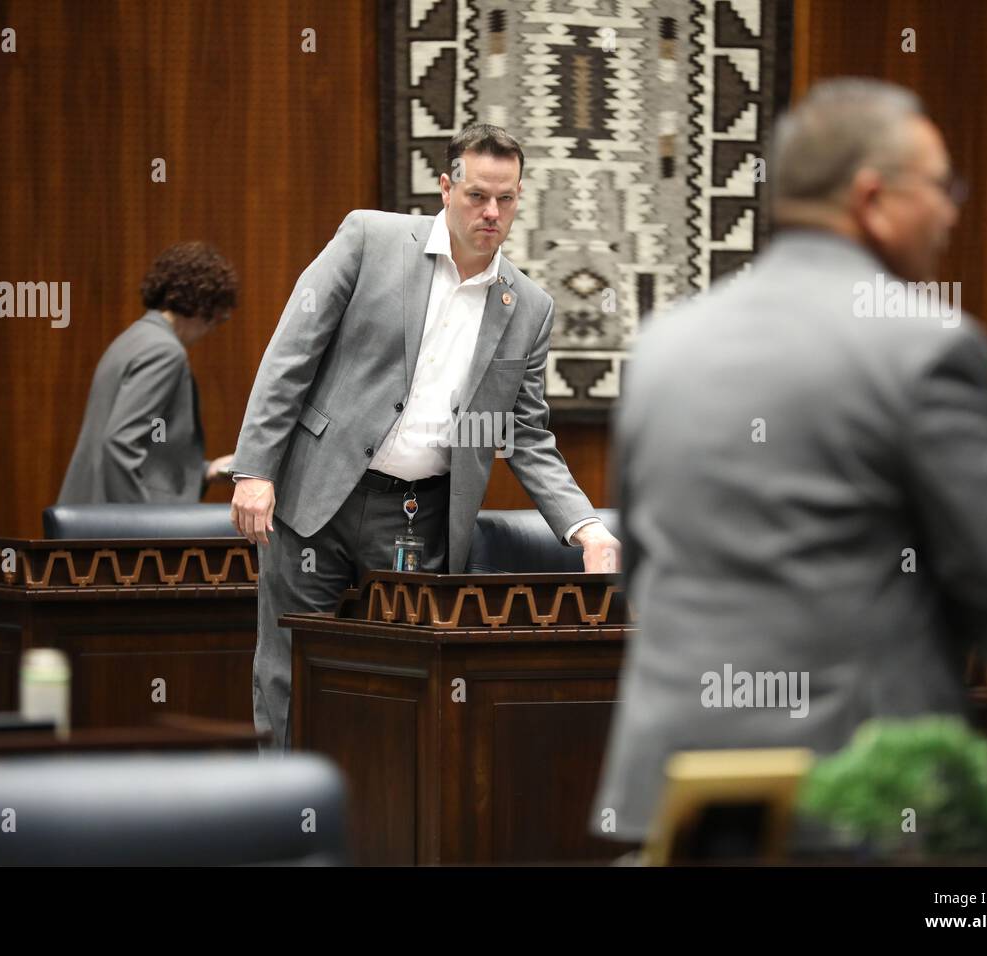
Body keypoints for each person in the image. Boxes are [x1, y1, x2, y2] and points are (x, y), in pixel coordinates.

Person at [592, 78, 987, 845]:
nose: (952, 210)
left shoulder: (666, 343)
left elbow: (641, 568)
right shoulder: (928, 346)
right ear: (872, 198)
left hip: (673, 793)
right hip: (851, 795)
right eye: (940, 186)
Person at [229, 124, 622, 747]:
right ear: (446, 187)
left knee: (405, 684)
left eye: (507, 198)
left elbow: (522, 433)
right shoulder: (370, 238)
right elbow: (290, 356)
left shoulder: (530, 305)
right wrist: (255, 469)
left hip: (417, 519)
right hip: (317, 496)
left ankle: (380, 826)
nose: (491, 212)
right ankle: (287, 821)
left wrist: (587, 526)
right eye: (477, 196)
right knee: (287, 673)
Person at [57, 241, 239, 504]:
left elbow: (149, 442)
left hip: (92, 510)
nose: (212, 329)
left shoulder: (132, 339)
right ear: (203, 305)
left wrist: (204, 471)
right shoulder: (165, 351)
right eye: (219, 318)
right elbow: (120, 443)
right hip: (114, 528)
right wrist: (141, 526)